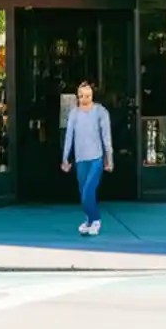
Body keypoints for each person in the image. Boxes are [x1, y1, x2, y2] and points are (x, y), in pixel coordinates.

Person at [61, 81, 113, 236]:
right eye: (82, 96)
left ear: (92, 95)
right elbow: (69, 137)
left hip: (96, 158)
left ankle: (96, 219)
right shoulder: (74, 114)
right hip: (80, 159)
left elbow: (106, 137)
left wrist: (109, 159)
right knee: (83, 192)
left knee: (88, 192)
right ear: (78, 96)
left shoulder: (100, 111)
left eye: (88, 95)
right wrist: (65, 158)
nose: (85, 99)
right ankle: (89, 220)